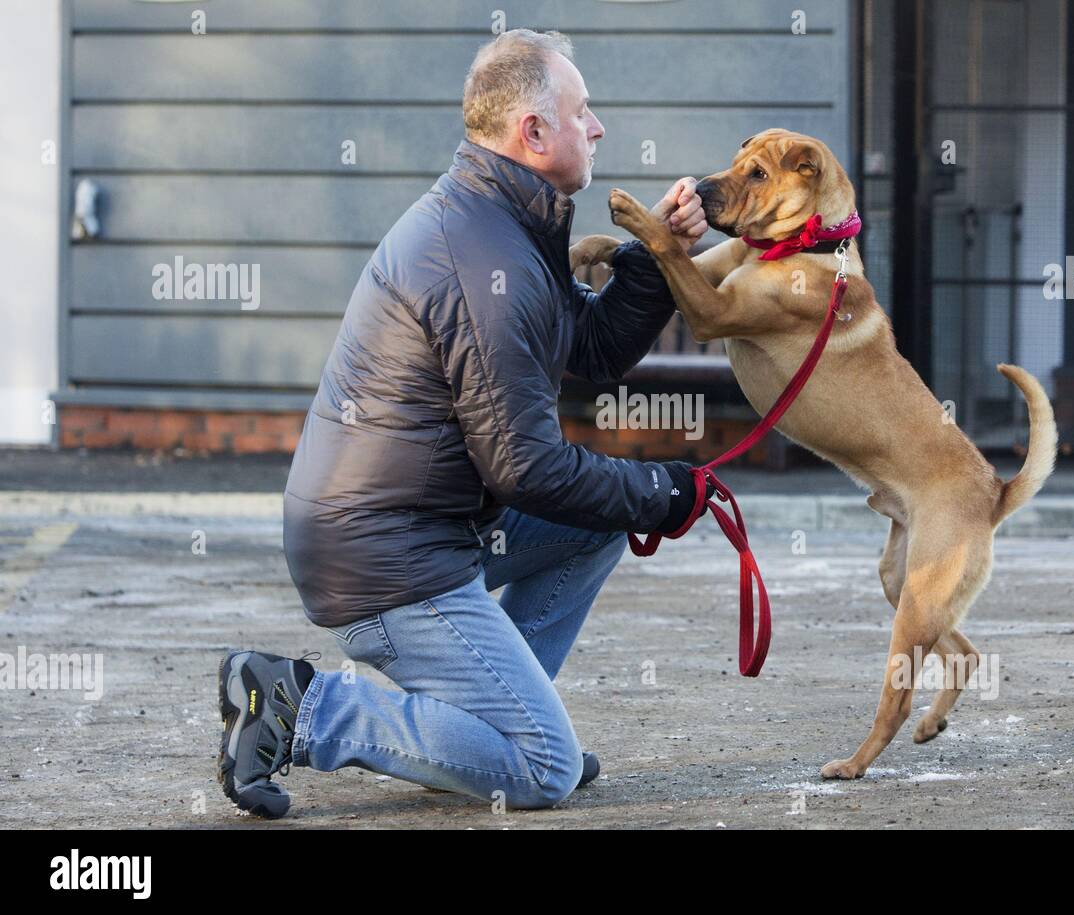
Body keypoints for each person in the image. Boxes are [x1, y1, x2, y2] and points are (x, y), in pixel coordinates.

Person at [217, 28, 712, 818]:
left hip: (420, 526)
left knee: (595, 524)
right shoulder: (488, 259)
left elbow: (590, 343)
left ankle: (495, 727)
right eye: (584, 112)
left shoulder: (502, 224)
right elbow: (526, 467)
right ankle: (302, 707)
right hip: (383, 559)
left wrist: (651, 257)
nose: (599, 128)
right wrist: (660, 489)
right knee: (544, 769)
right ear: (534, 132)